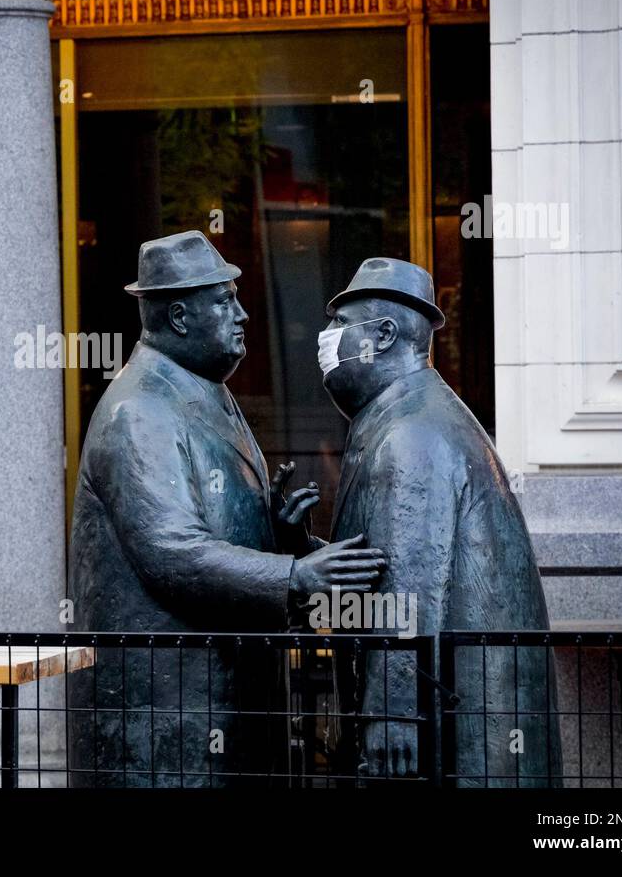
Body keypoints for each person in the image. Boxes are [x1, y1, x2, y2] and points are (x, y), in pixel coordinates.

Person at [67, 230, 385, 786]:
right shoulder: (138, 410)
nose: (242, 315)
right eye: (224, 302)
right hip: (166, 718)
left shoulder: (204, 391)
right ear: (181, 318)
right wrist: (296, 574)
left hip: (222, 706)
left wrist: (278, 534)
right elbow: (171, 552)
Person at [319, 257, 559, 786]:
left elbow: (412, 577)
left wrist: (391, 708)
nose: (326, 338)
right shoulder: (409, 414)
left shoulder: (410, 431)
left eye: (340, 325)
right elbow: (383, 558)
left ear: (382, 335)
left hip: (451, 728)